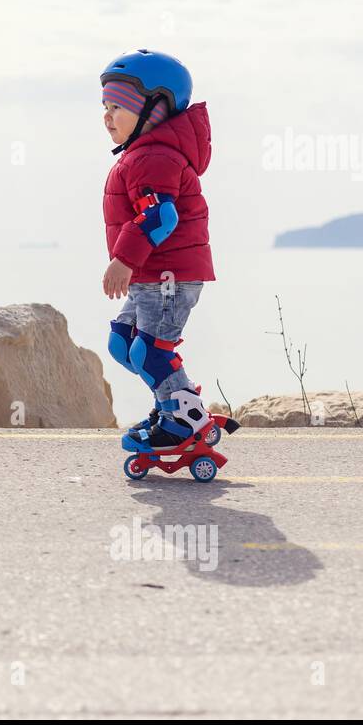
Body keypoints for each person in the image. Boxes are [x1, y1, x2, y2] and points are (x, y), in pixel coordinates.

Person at [99, 49, 216, 450]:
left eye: (118, 106)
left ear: (155, 108)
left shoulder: (154, 156)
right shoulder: (141, 155)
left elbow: (159, 218)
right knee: (123, 341)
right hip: (151, 275)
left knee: (149, 351)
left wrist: (123, 260)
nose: (107, 115)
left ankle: (183, 421)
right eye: (105, 106)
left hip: (170, 276)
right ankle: (171, 405)